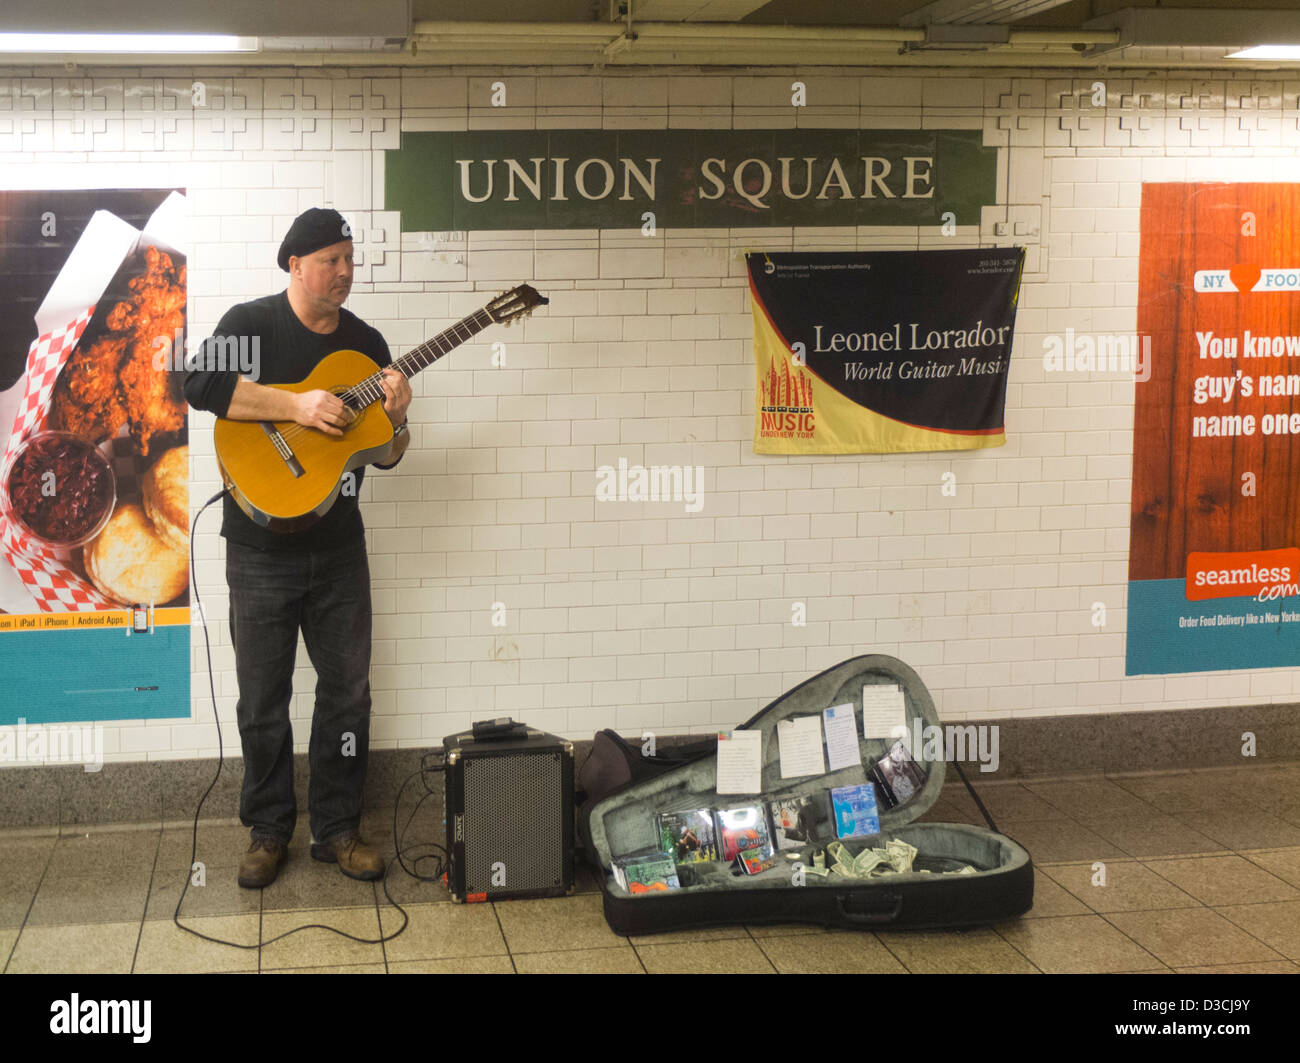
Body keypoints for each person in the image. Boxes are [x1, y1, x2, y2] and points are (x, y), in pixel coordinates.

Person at [185, 207, 411, 889]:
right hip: (257, 548)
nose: (345, 272)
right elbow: (198, 384)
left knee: (348, 694)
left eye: (349, 258)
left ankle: (338, 828)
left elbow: (388, 454)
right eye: (331, 260)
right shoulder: (249, 324)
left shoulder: (367, 343)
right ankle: (268, 829)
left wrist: (397, 421)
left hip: (339, 547)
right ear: (295, 265)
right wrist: (296, 407)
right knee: (262, 698)